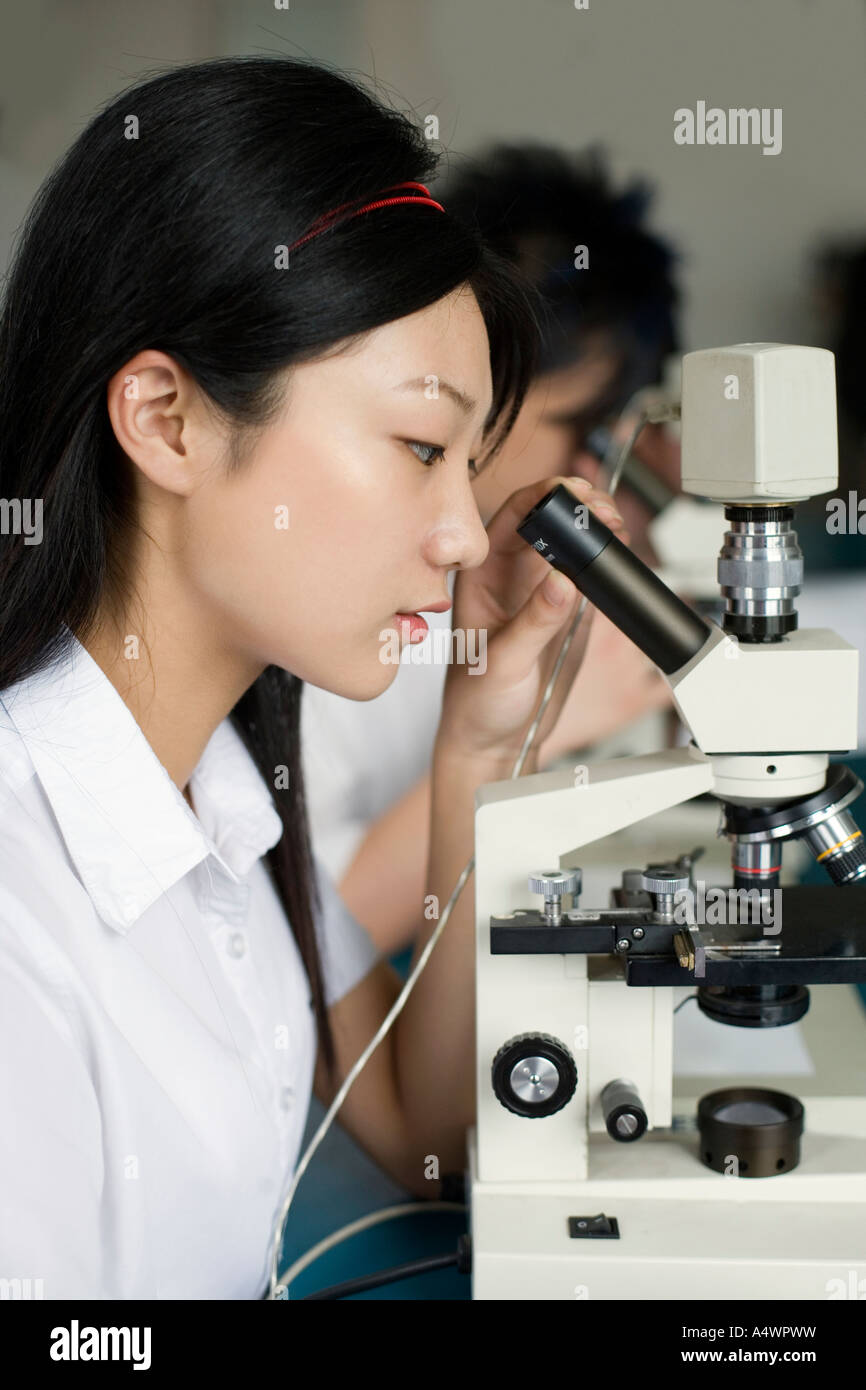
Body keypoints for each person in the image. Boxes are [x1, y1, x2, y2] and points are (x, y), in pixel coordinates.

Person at [0, 54, 628, 1299]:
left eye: (468, 466)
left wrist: (476, 750)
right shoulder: (24, 903)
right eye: (416, 445)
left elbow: (426, 1142)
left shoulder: (221, 783)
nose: (459, 535)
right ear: (167, 420)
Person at [301, 143, 683, 954]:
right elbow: (314, 954)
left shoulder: (504, 566)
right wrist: (546, 723)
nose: (590, 469)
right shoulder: (315, 591)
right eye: (576, 429)